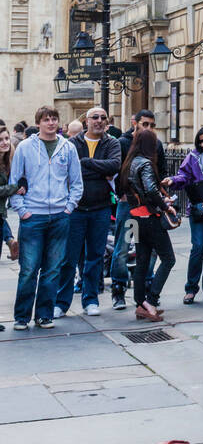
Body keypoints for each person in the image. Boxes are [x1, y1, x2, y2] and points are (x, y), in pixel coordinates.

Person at [9, 107, 83, 330]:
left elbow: (76, 182)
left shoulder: (68, 148)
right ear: (38, 123)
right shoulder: (25, 147)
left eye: (54, 119)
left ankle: (44, 314)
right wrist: (22, 210)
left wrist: (69, 207)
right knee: (29, 269)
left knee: (52, 270)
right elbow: (15, 181)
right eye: (46, 119)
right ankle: (22, 316)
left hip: (60, 216)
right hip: (33, 215)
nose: (50, 123)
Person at [55, 108, 121, 318]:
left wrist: (86, 163)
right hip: (75, 209)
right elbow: (67, 170)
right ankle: (61, 303)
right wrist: (100, 171)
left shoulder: (112, 143)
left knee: (95, 257)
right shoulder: (73, 143)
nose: (99, 121)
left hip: (101, 208)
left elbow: (114, 165)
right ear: (86, 121)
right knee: (69, 258)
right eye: (95, 117)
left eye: (103, 118)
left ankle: (90, 300)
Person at [116, 128, 177, 322]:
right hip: (149, 218)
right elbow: (150, 190)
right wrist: (165, 206)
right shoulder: (145, 163)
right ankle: (151, 300)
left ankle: (140, 303)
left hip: (134, 216)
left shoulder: (129, 163)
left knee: (141, 260)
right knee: (168, 259)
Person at [111, 111, 167, 308]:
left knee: (150, 249)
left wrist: (161, 194)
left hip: (149, 207)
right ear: (134, 123)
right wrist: (122, 194)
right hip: (130, 205)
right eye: (145, 124)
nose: (149, 128)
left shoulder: (156, 144)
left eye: (152, 125)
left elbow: (161, 171)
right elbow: (117, 171)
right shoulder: (123, 143)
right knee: (124, 247)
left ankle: (146, 288)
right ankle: (119, 288)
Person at [163, 125, 203, 304]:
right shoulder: (194, 157)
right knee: (198, 248)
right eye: (200, 141)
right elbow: (184, 175)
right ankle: (191, 289)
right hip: (198, 209)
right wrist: (172, 180)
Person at [0, 127, 24, 261]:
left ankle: (10, 240)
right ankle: (10, 240)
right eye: (0, 140)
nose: (5, 142)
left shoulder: (7, 161)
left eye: (6, 138)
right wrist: (14, 188)